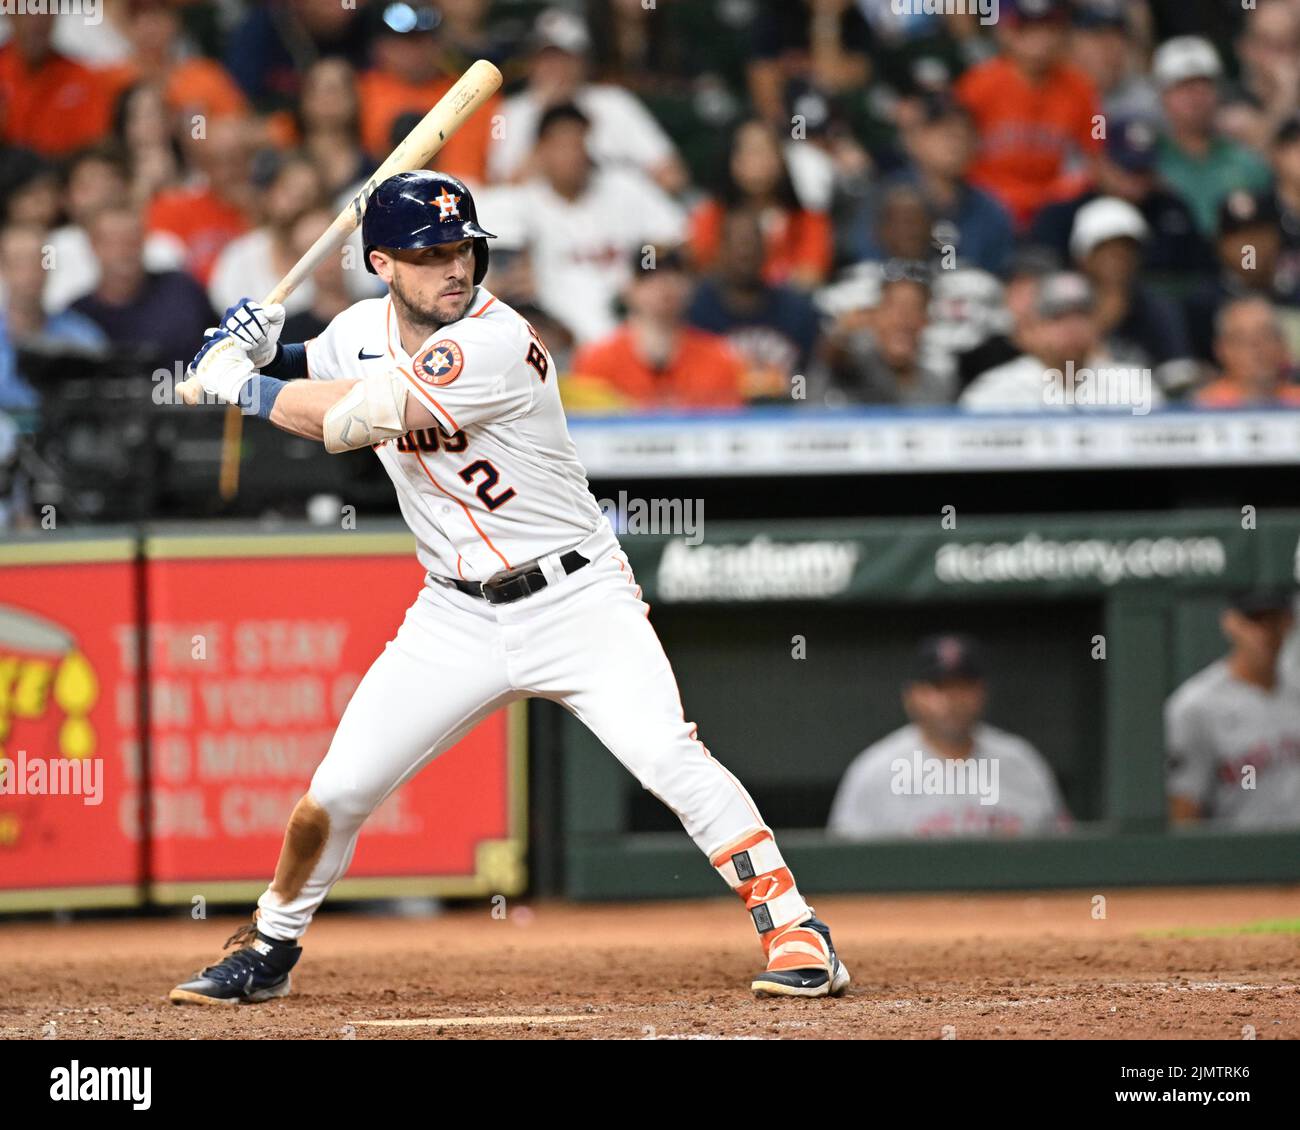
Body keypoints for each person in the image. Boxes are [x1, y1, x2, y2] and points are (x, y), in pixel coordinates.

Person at [170, 170, 848, 1002]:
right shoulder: (359, 327)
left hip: (576, 598)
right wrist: (266, 343)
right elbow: (327, 362)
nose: (455, 269)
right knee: (337, 791)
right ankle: (269, 946)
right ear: (382, 263)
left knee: (668, 754)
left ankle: (794, 928)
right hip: (453, 612)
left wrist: (240, 381)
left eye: (465, 250)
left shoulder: (494, 341)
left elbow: (349, 420)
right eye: (430, 255)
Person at [479, 102, 686, 345]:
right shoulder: (516, 203)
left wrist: (645, 266)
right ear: (539, 151)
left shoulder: (625, 187)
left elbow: (674, 239)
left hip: (630, 330)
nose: (572, 154)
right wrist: (512, 279)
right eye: (560, 145)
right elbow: (493, 277)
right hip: (557, 338)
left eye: (578, 143)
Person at [828, 634, 1070, 839]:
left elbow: (1064, 853)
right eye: (939, 687)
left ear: (981, 692)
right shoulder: (875, 770)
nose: (952, 700)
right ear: (912, 696)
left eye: (962, 686)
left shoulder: (1022, 762)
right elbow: (843, 870)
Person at [486, 8, 687, 195]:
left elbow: (671, 175)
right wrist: (547, 118)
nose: (554, 68)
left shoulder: (615, 101)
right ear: (531, 63)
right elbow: (504, 187)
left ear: (582, 61)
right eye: (545, 58)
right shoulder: (510, 112)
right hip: (542, 221)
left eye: (563, 58)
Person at [954, 0, 1101, 229]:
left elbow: (1095, 150)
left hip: (1054, 210)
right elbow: (958, 149)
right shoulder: (977, 85)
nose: (1038, 39)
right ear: (1007, 32)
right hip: (990, 206)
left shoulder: (1082, 89)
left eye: (1047, 28)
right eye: (1027, 28)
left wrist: (1066, 190)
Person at [1165, 590, 1300, 829]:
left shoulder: (1295, 692)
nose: (1265, 633)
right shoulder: (1195, 705)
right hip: (1242, 860)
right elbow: (1183, 815)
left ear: (1289, 621)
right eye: (1254, 620)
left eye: (1274, 619)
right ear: (1230, 622)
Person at [841, 95, 1013, 276]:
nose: (954, 141)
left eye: (963, 133)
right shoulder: (884, 198)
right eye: (941, 131)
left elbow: (998, 273)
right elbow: (868, 263)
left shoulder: (989, 208)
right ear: (913, 140)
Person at [1027, 115, 1214, 279]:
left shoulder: (1172, 209)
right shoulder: (1063, 212)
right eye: (1127, 169)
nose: (1136, 180)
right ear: (1100, 164)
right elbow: (1040, 273)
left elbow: (1203, 272)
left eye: (1143, 170)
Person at [569, 247, 744, 411]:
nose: (663, 284)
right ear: (630, 288)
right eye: (650, 276)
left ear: (690, 287)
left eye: (673, 275)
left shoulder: (718, 358)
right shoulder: (598, 360)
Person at [961, 271, 1161, 413]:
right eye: (1057, 317)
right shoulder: (996, 391)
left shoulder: (1132, 384)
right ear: (1032, 329)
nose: (1072, 327)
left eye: (1082, 315)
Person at [686, 209, 823, 404]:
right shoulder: (695, 311)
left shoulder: (798, 311)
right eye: (737, 243)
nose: (745, 250)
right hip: (715, 420)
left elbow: (806, 375)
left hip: (784, 419)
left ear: (766, 250)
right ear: (720, 250)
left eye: (751, 243)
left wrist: (795, 398)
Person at [688, 119, 832, 289]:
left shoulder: (808, 221)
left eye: (766, 151)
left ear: (781, 161)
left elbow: (810, 277)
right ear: (734, 162)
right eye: (750, 152)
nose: (759, 162)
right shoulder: (710, 217)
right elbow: (701, 271)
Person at [1153, 36, 1272, 238]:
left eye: (1205, 86)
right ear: (1163, 96)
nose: (1196, 97)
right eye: (1184, 87)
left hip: (1237, 263)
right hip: (1169, 264)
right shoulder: (1148, 160)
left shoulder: (1248, 162)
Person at [1067, 196, 1194, 381]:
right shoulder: (1065, 304)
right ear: (1083, 257)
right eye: (1106, 250)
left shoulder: (1159, 308)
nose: (1118, 258)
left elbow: (1178, 372)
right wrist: (1100, 324)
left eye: (1127, 249)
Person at [70, 205, 214, 365]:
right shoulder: (77, 317)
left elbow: (226, 341)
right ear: (93, 246)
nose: (124, 251)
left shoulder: (182, 291)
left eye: (132, 240)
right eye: (113, 242)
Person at [0, 223, 107, 413]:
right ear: (3, 268)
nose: (29, 274)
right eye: (18, 263)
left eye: (38, 262)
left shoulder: (82, 337)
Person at [826, 275, 953, 406]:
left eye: (914, 308)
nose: (902, 320)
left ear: (926, 321)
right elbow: (833, 354)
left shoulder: (936, 386)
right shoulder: (853, 366)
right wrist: (843, 332)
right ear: (874, 316)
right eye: (892, 307)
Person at [0, 11, 113, 157]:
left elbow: (94, 150)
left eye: (44, 13)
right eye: (26, 13)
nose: (36, 23)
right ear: (11, 16)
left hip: (61, 174)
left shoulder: (82, 80)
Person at [1194, 297, 1300, 407]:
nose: (1255, 347)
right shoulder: (1201, 407)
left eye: (1265, 335)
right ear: (1221, 349)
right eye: (1241, 338)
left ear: (1282, 344)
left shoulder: (1296, 402)